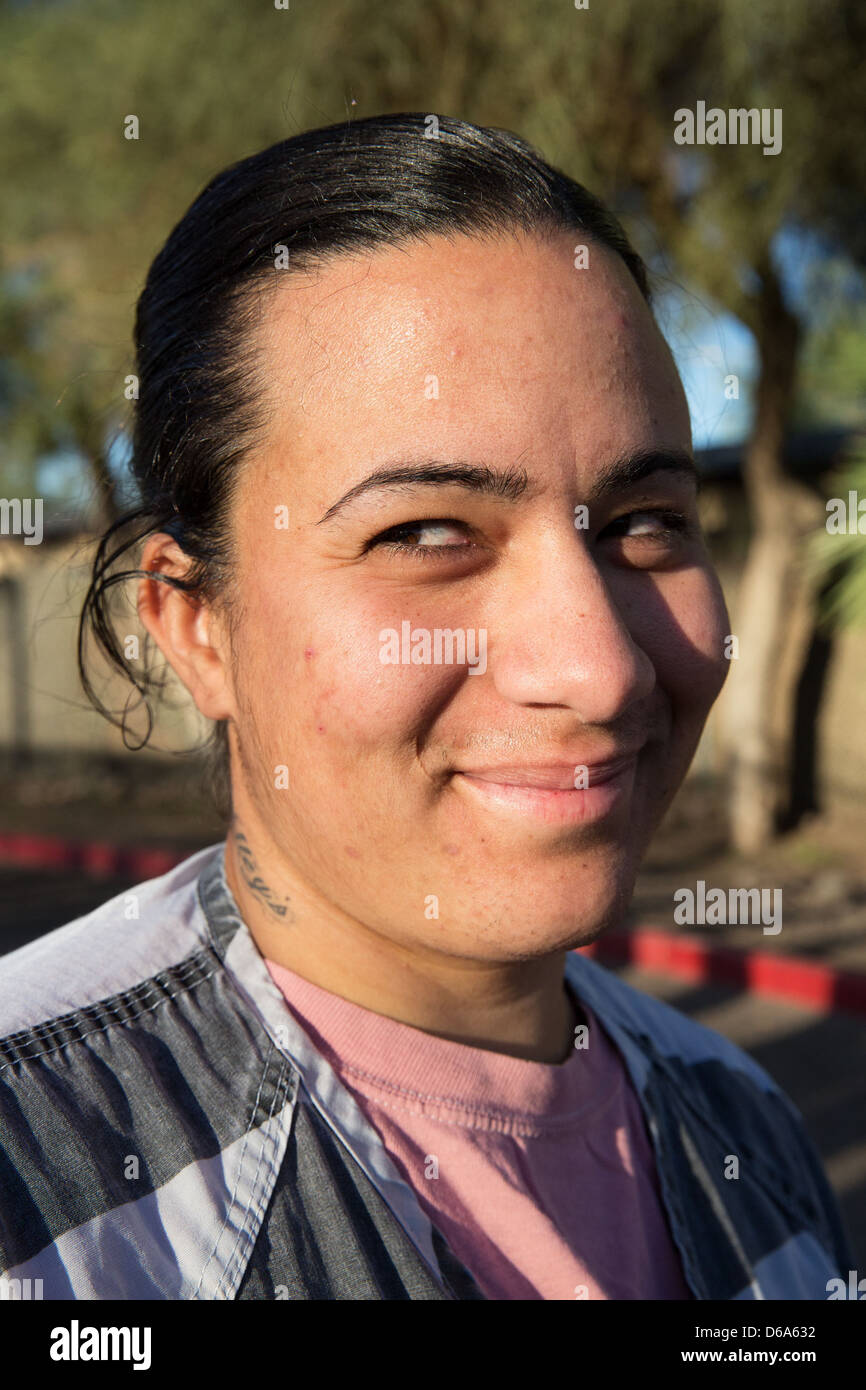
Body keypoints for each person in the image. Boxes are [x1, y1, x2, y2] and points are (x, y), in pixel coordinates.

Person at [0, 114, 853, 1300]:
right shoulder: (34, 1181)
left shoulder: (745, 1131)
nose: (597, 667)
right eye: (426, 533)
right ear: (197, 628)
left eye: (642, 524)